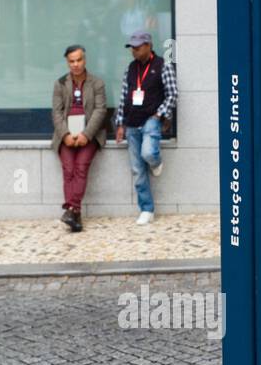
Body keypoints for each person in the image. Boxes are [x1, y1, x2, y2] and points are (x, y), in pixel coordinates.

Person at [114, 31, 177, 225]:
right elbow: (124, 96)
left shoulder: (162, 65)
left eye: (138, 47)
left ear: (148, 46)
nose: (134, 51)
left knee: (149, 153)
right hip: (132, 122)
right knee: (137, 170)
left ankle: (156, 162)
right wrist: (120, 123)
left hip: (151, 118)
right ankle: (147, 209)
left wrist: (159, 114)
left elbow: (172, 94)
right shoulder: (130, 69)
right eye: (132, 47)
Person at [51, 44, 107, 232]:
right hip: (66, 133)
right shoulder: (60, 83)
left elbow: (100, 110)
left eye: (79, 60)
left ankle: (71, 210)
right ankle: (75, 214)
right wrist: (65, 135)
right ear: (67, 63)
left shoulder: (97, 83)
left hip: (89, 134)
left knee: (81, 167)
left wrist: (86, 134)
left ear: (85, 59)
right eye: (71, 61)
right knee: (68, 170)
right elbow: (56, 113)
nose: (76, 64)